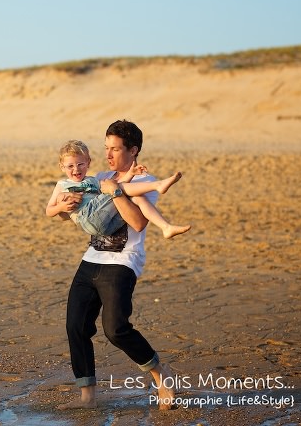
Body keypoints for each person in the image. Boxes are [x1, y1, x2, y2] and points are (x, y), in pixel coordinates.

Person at [51, 120, 178, 411]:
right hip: (92, 259)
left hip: (123, 261)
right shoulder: (100, 176)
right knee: (76, 326)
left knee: (116, 329)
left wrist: (117, 191)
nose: (109, 155)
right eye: (106, 148)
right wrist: (66, 205)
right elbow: (76, 214)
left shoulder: (145, 181)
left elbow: (137, 222)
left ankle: (161, 376)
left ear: (133, 150)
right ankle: (87, 397)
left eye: (115, 148)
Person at [46, 140, 191, 239]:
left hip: (106, 227)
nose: (76, 169)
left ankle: (165, 227)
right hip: (87, 218)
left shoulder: (93, 180)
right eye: (70, 166)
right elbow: (49, 211)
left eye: (80, 164)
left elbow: (115, 189)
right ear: (62, 167)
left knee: (132, 197)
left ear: (88, 163)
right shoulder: (61, 185)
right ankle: (157, 185)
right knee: (115, 187)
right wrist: (61, 206)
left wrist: (130, 174)